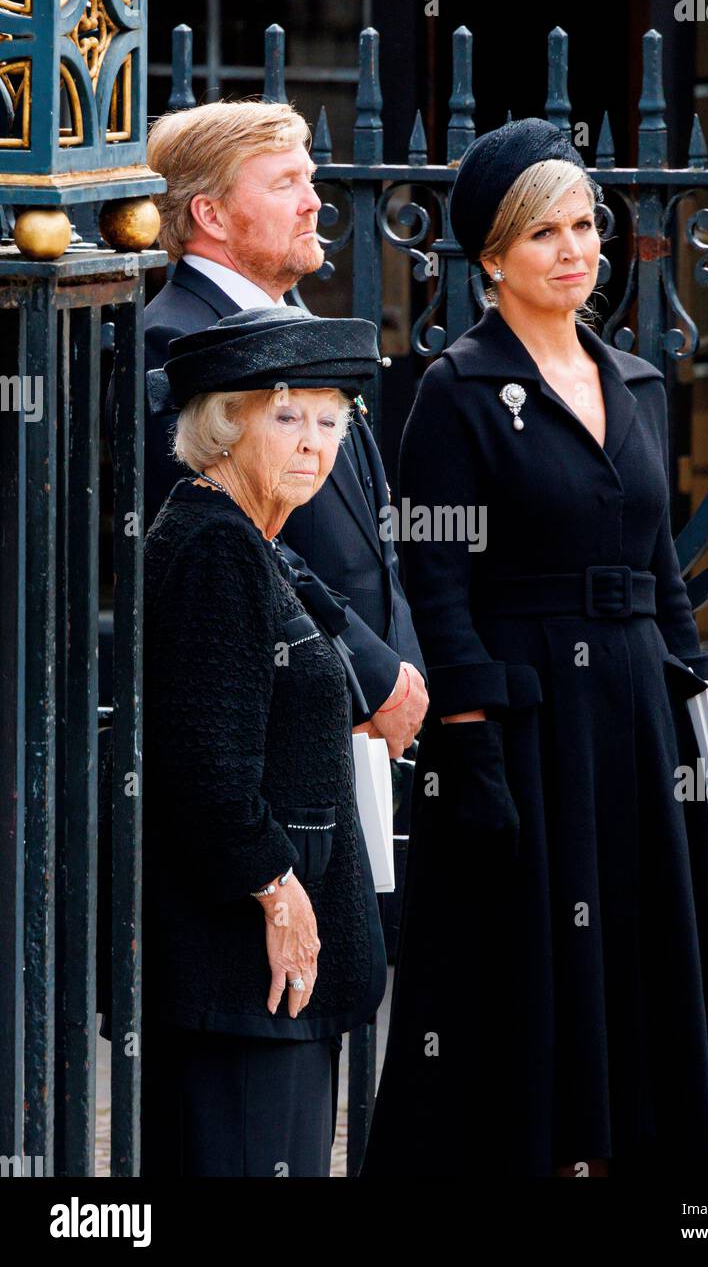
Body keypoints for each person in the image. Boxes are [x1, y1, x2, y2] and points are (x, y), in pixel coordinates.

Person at [360, 118, 708, 1178]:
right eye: (543, 233)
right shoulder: (455, 390)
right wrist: (473, 735)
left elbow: (661, 573)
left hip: (635, 714)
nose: (575, 250)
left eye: (584, 226)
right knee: (527, 977)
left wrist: (692, 721)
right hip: (527, 724)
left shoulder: (638, 382)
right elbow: (436, 584)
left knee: (643, 960)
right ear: (490, 258)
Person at [123, 305, 388, 1176]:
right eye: (286, 416)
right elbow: (205, 763)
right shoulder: (215, 548)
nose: (313, 443)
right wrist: (279, 895)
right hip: (243, 967)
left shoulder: (246, 537)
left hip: (261, 977)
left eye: (328, 422)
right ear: (224, 426)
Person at [104, 98, 427, 762]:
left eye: (309, 180)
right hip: (268, 728)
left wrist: (398, 674)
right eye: (285, 184)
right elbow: (233, 541)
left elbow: (369, 541)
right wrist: (370, 673)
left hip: (355, 722)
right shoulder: (175, 343)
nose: (313, 203)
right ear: (211, 214)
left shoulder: (293, 328)